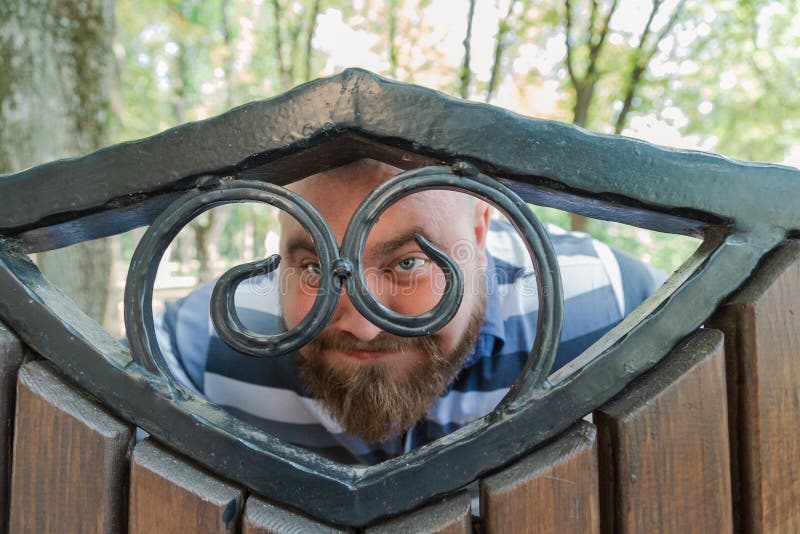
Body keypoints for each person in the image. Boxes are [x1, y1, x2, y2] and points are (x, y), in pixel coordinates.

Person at [156, 159, 663, 464]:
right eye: (315, 268)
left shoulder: (605, 308)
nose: (362, 322)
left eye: (409, 262)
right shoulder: (203, 347)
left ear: (479, 234)